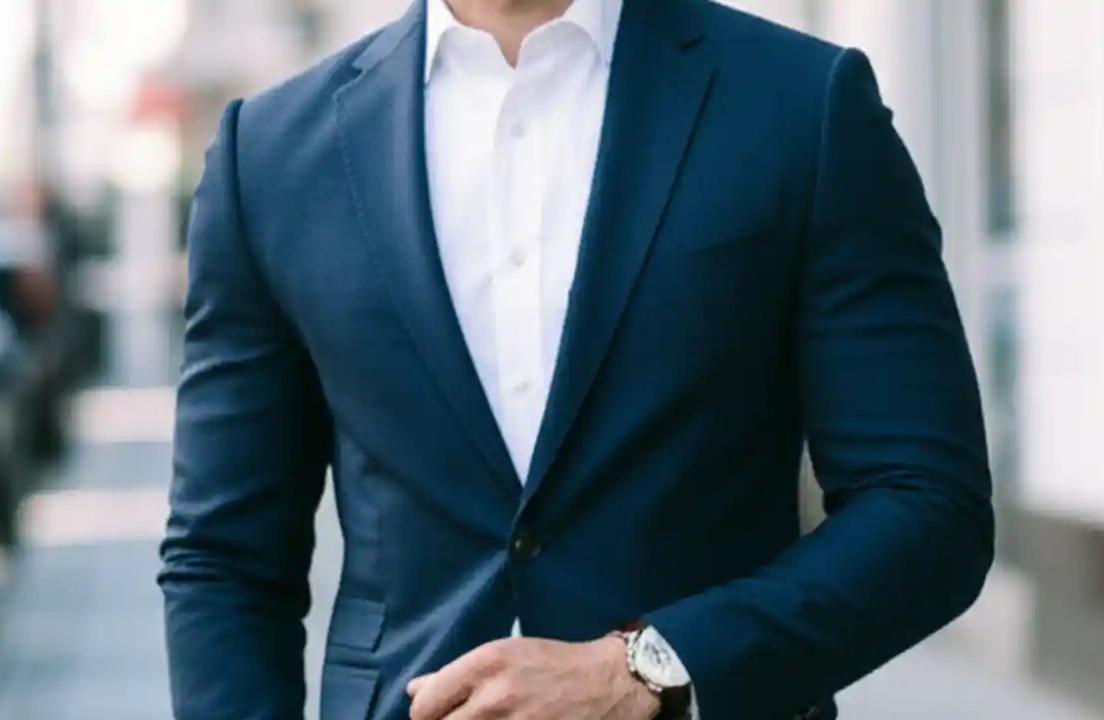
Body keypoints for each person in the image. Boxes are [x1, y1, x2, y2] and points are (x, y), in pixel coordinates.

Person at [159, 0, 995, 717]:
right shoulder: (267, 157)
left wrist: (648, 669)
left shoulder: (803, 108)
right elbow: (225, 557)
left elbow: (928, 507)